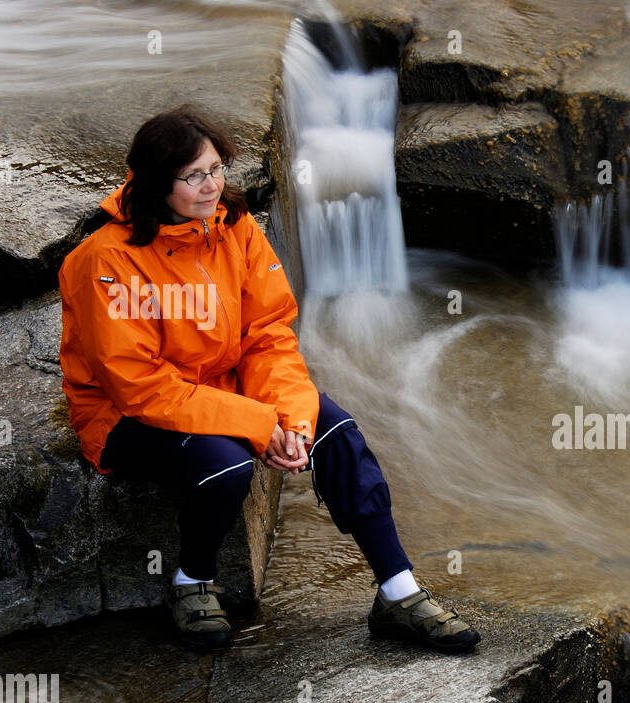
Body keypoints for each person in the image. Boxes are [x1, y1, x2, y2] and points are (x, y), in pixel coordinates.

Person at [57, 104, 479, 654]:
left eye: (217, 169)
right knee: (227, 467)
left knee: (337, 432)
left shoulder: (234, 227)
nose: (212, 185)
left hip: (222, 385)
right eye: (194, 176)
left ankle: (399, 592)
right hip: (123, 416)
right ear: (157, 183)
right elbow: (140, 386)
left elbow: (268, 336)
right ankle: (191, 582)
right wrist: (259, 424)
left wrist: (292, 421)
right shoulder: (107, 261)